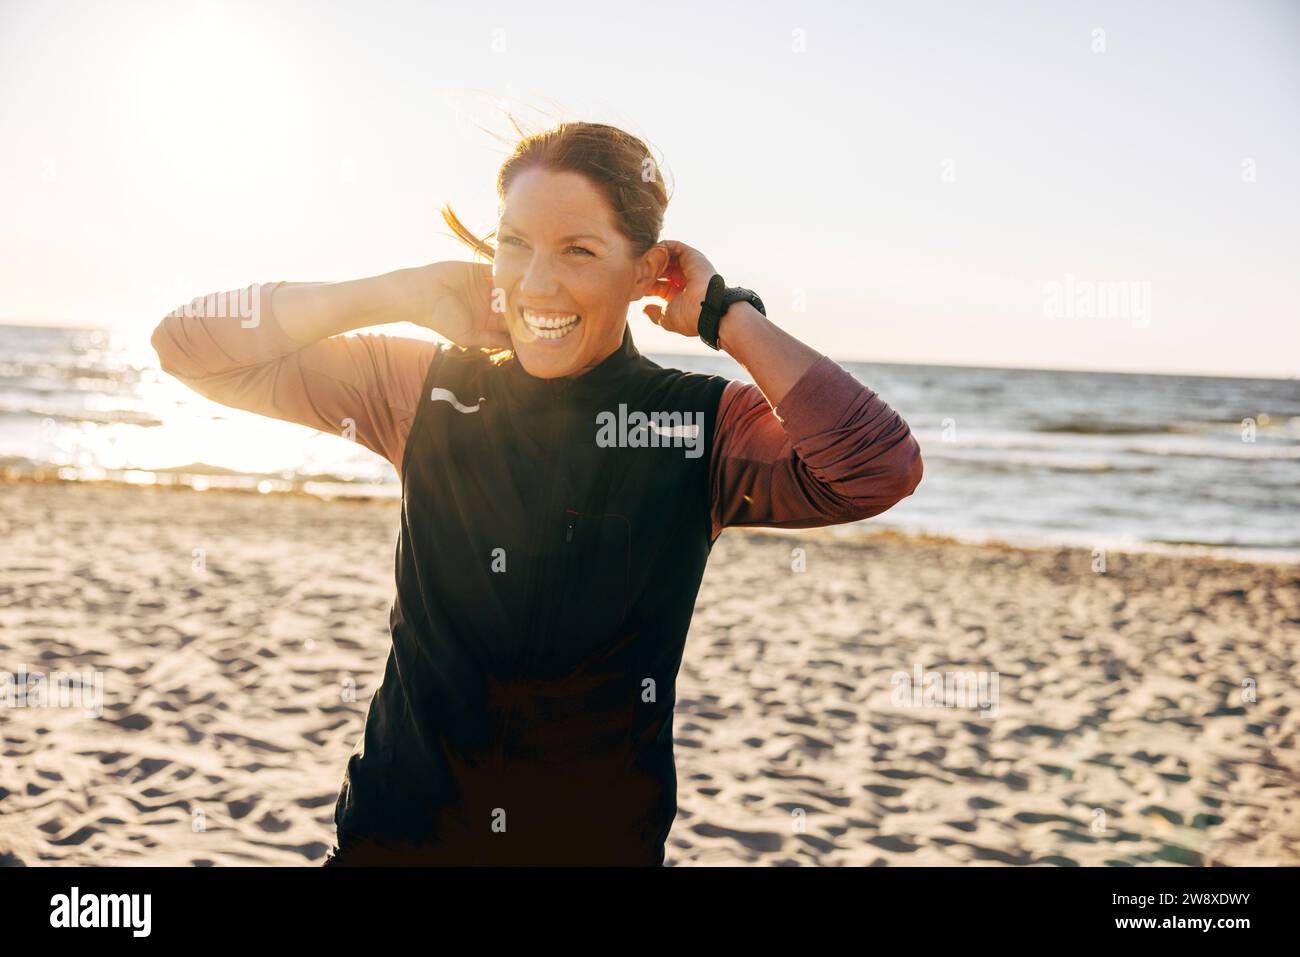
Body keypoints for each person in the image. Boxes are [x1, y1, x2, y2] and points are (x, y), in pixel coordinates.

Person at [151, 120, 923, 866]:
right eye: (512, 244)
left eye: (578, 250)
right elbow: (186, 346)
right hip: (393, 841)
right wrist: (402, 291)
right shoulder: (422, 388)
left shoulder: (699, 424)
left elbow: (878, 466)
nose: (536, 282)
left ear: (647, 272)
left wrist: (727, 315)